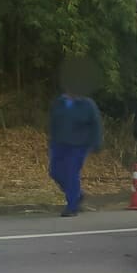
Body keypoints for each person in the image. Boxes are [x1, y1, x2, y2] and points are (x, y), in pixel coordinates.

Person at [48, 86, 103, 216]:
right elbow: (53, 122)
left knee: (71, 172)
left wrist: (96, 143)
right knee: (55, 171)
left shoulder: (87, 104)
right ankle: (77, 195)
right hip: (59, 143)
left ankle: (72, 207)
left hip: (79, 144)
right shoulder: (59, 102)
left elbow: (96, 124)